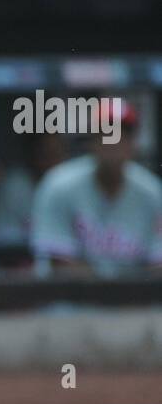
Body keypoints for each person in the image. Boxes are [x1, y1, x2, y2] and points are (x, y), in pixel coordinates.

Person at [31, 101, 162, 274]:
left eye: (122, 135)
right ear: (92, 141)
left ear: (133, 143)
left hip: (135, 300)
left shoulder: (151, 193)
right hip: (71, 299)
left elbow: (157, 267)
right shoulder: (59, 185)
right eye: (106, 134)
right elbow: (59, 264)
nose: (114, 143)